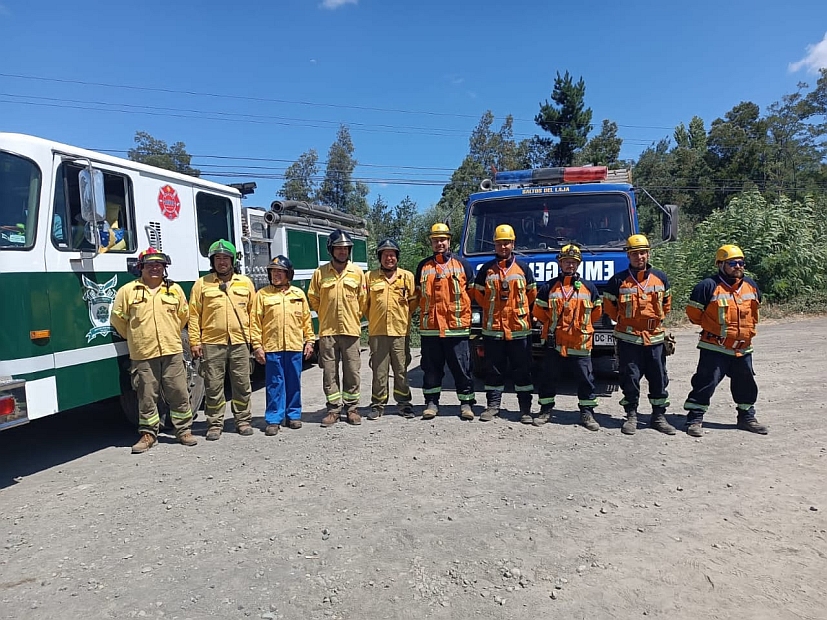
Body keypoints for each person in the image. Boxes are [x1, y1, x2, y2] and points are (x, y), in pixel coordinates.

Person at [110, 248, 198, 453]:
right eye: (150, 264)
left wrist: (170, 333)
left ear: (165, 268)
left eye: (159, 264)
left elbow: (183, 316)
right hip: (143, 353)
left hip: (172, 350)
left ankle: (184, 430)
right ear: (141, 267)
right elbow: (117, 318)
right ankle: (148, 434)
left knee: (178, 391)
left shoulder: (174, 290)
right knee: (147, 394)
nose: (155, 268)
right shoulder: (128, 291)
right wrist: (133, 336)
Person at [682, 245, 768, 437]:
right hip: (715, 347)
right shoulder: (707, 286)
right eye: (732, 263)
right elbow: (694, 315)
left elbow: (755, 310)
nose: (738, 266)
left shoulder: (751, 285)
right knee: (705, 383)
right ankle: (694, 418)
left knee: (746, 385)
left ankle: (746, 417)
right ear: (721, 265)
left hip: (742, 348)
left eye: (740, 262)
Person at [603, 234, 676, 436]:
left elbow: (666, 305)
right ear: (628, 255)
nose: (639, 257)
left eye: (642, 253)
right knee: (630, 378)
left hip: (654, 338)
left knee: (659, 378)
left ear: (648, 253)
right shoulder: (617, 280)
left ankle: (658, 416)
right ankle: (631, 415)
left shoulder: (660, 278)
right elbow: (609, 308)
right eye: (634, 253)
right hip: (629, 339)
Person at [188, 239, 257, 440]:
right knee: (213, 385)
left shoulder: (245, 283)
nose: (222, 262)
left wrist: (255, 342)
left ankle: (243, 420)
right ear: (212, 261)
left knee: (242, 383)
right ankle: (215, 424)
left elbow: (254, 313)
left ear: (232, 260)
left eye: (226, 258)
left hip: (240, 342)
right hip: (212, 342)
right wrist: (194, 341)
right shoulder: (202, 284)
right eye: (217, 258)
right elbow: (194, 315)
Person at [532, 244, 602, 431]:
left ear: (578, 265)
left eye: (573, 262)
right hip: (555, 343)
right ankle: (545, 410)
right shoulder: (549, 287)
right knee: (548, 378)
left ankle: (587, 413)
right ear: (560, 264)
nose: (570, 265)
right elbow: (539, 311)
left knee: (586, 379)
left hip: (580, 343)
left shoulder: (589, 288)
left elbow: (596, 313)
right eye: (566, 262)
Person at [472, 224, 538, 423]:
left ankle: (525, 409)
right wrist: (494, 312)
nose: (503, 247)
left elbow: (532, 295)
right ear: (495, 244)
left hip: (519, 331)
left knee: (523, 371)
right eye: (500, 243)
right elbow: (478, 294)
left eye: (507, 243)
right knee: (493, 370)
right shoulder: (486, 269)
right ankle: (493, 406)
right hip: (493, 331)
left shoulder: (524, 269)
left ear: (513, 243)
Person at [413, 222, 476, 420]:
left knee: (462, 369)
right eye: (435, 240)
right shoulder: (423, 266)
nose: (439, 243)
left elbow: (473, 294)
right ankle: (431, 403)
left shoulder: (462, 264)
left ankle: (466, 404)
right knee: (431, 369)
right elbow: (417, 295)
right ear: (431, 242)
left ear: (449, 241)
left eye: (443, 239)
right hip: (431, 329)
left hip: (456, 329)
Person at [308, 229, 368, 427]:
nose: (342, 252)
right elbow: (314, 299)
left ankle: (352, 409)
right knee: (329, 372)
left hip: (351, 330)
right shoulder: (320, 273)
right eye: (338, 249)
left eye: (345, 249)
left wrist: (352, 316)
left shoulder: (358, 273)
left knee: (352, 371)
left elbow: (363, 300)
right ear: (331, 250)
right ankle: (333, 409)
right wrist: (326, 313)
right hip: (328, 332)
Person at [250, 256, 315, 436]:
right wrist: (257, 346)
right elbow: (254, 322)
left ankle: (293, 415)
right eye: (273, 271)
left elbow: (306, 320)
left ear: (288, 274)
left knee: (294, 382)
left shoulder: (298, 294)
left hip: (294, 346)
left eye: (280, 271)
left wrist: (310, 341)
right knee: (274, 383)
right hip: (272, 347)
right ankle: (273, 419)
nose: (276, 275)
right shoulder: (262, 295)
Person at [365, 238, 417, 420]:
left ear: (397, 257)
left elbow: (413, 303)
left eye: (392, 255)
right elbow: (365, 304)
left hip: (400, 332)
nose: (389, 258)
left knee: (401, 370)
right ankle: (378, 405)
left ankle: (404, 404)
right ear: (380, 257)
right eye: (386, 255)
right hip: (378, 332)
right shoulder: (369, 277)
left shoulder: (407, 277)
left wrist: (402, 317)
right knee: (379, 371)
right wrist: (374, 318)